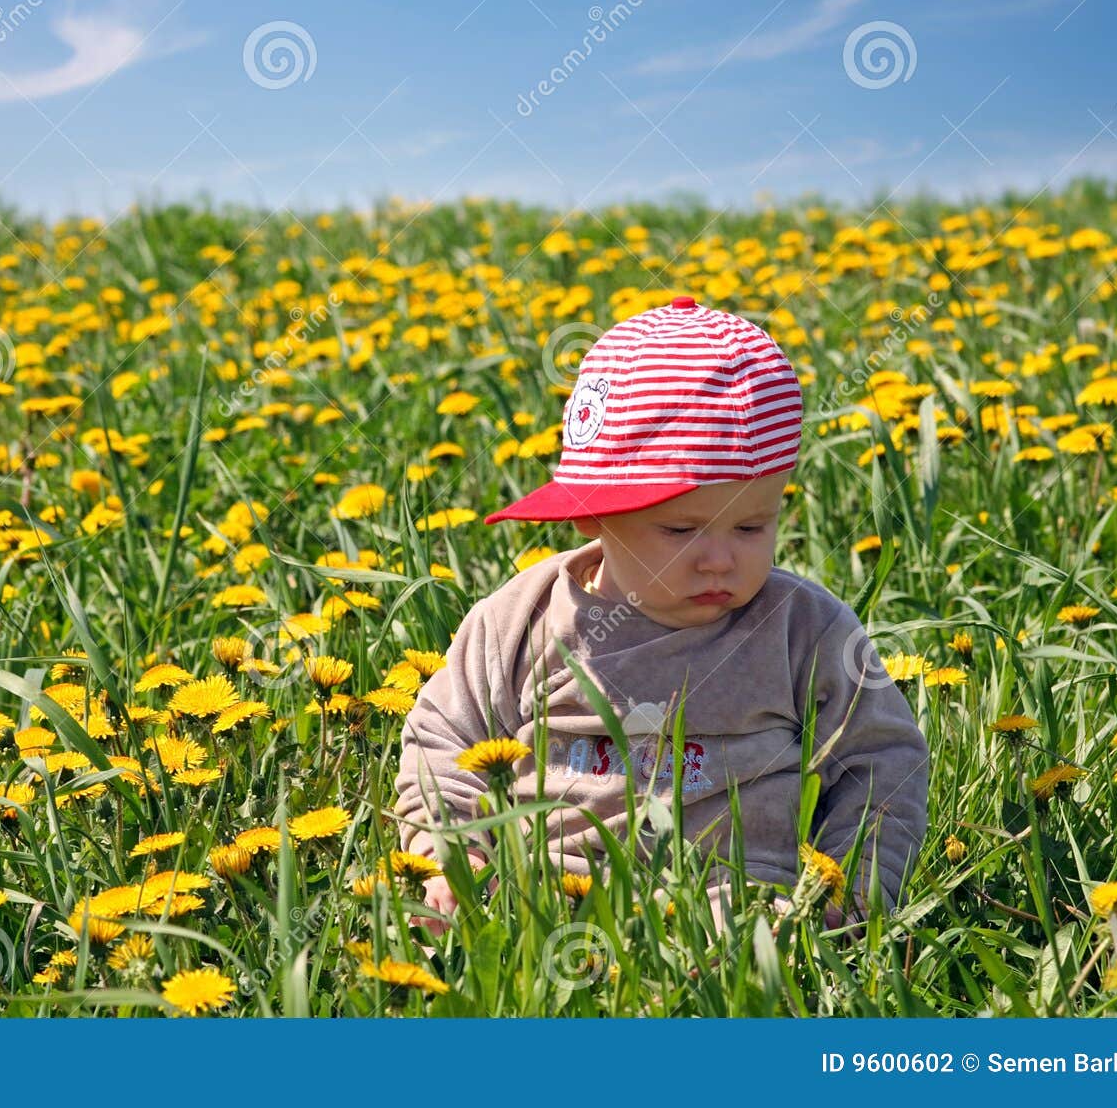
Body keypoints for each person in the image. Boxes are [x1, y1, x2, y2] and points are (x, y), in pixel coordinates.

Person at [392, 296, 930, 937]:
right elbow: (442, 741)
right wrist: (451, 855)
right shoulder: (521, 620)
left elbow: (882, 761)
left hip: (739, 904)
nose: (720, 560)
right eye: (681, 529)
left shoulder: (802, 631)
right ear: (591, 513)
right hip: (539, 891)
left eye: (752, 525)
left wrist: (854, 884)